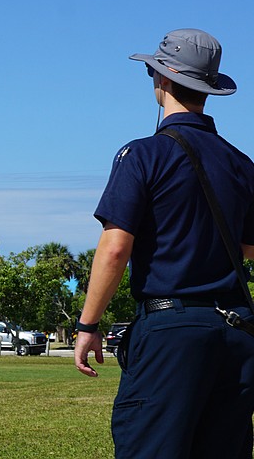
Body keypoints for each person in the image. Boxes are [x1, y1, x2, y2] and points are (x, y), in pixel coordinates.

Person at [74, 28, 254, 458]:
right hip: (236, 333)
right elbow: (249, 248)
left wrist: (87, 325)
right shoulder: (241, 164)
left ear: (163, 80)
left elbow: (115, 248)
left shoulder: (142, 154)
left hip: (171, 331)